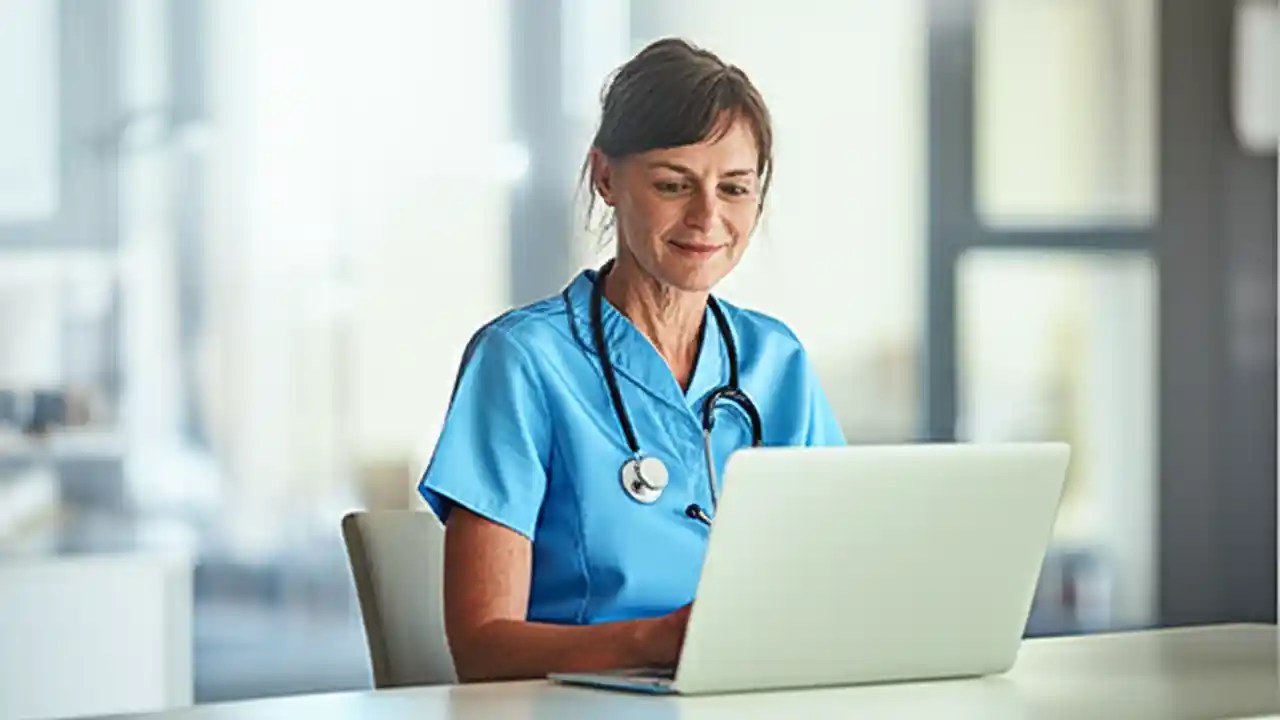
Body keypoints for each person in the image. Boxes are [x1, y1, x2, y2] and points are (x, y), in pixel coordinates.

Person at [418, 37, 845, 683]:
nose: (708, 217)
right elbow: (483, 650)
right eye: (674, 184)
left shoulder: (775, 361)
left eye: (735, 188)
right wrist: (664, 639)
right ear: (606, 177)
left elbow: (841, 575)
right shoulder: (524, 362)